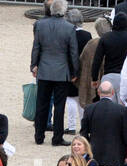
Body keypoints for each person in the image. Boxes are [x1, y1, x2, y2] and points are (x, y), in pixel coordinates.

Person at [30, 0, 79, 147]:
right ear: (64, 11)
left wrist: (34, 65)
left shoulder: (40, 25)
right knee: (59, 106)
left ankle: (39, 135)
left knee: (41, 104)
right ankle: (57, 138)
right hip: (61, 72)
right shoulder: (69, 28)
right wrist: (74, 71)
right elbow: (73, 52)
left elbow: (36, 47)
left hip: (44, 69)